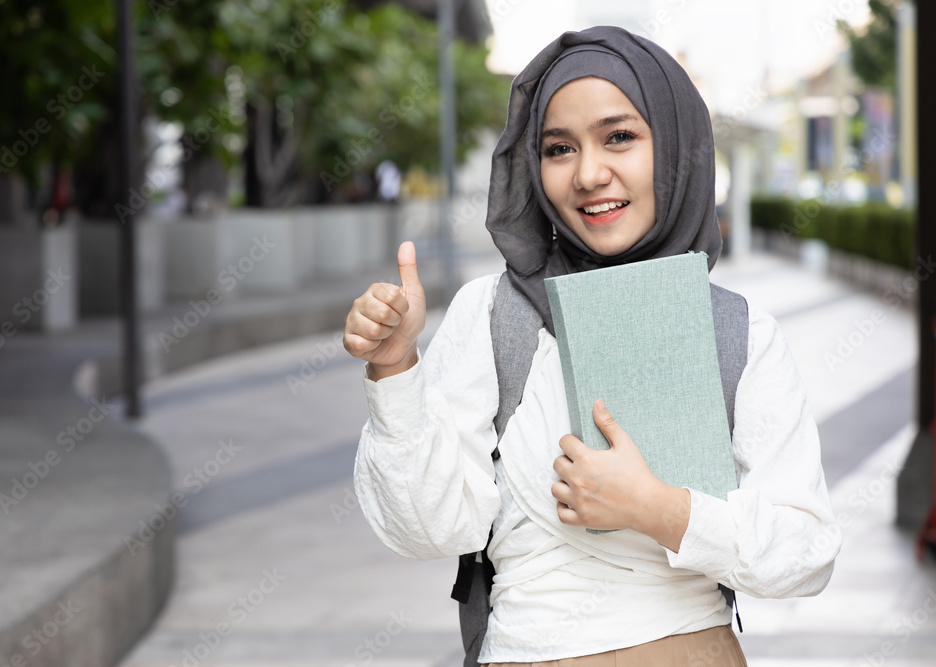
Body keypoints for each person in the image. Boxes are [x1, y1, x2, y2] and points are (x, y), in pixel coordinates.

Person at [342, 26, 840, 667]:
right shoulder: (495, 316)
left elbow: (806, 554)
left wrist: (661, 509)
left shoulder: (738, 335)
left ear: (676, 144)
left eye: (620, 137)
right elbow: (427, 529)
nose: (589, 174)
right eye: (558, 148)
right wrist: (395, 369)